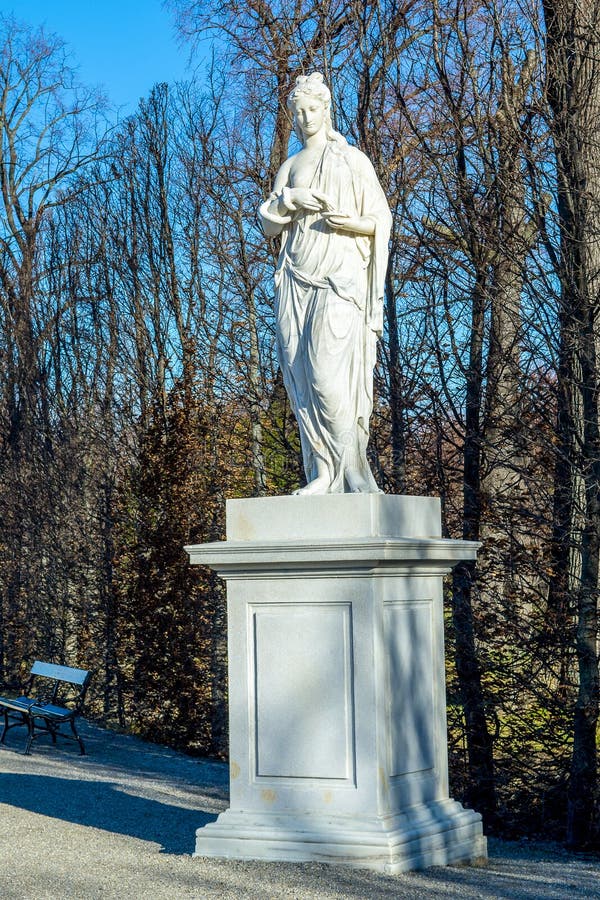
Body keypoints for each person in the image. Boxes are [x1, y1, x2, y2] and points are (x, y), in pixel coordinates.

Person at [260, 72, 392, 495]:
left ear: (326, 110)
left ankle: (352, 470)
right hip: (296, 279)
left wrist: (350, 224)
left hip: (340, 278)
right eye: (298, 111)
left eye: (312, 108)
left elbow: (381, 219)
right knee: (300, 376)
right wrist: (288, 201)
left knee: (325, 374)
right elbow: (266, 225)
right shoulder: (291, 166)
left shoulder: (352, 160)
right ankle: (322, 472)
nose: (304, 117)